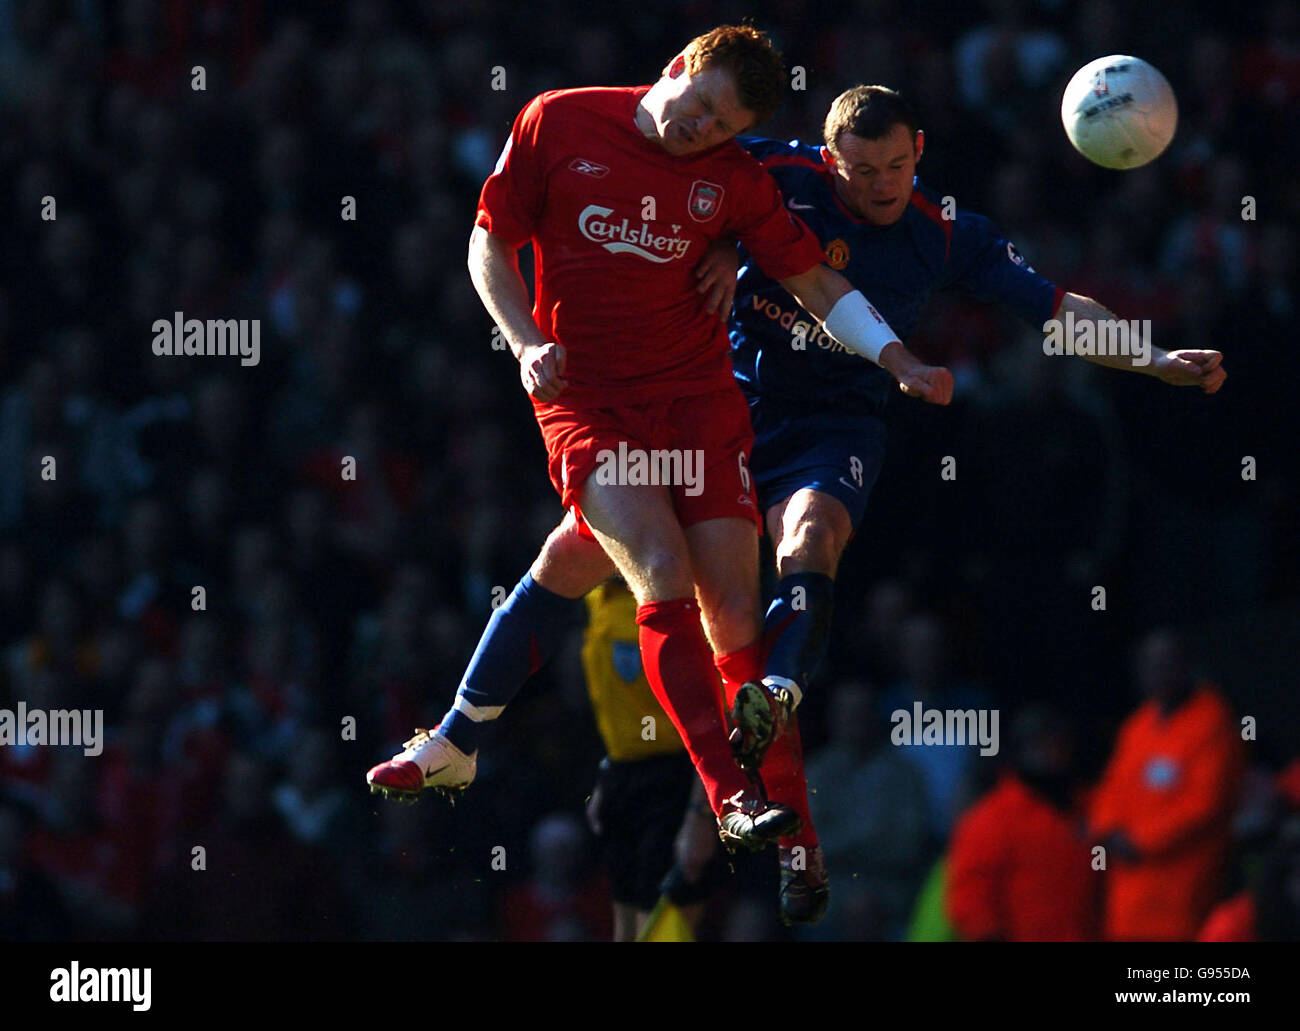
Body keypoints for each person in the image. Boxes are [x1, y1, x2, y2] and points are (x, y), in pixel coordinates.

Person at [366, 28, 952, 867]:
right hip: (592, 407)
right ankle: (732, 799)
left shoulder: (733, 181)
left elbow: (815, 282)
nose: (700, 129)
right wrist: (526, 340)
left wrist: (896, 357)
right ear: (676, 66)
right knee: (655, 560)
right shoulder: (559, 122)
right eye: (699, 105)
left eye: (721, 126)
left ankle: (462, 736)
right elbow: (486, 241)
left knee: (721, 609)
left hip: (700, 409)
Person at [1088, 629, 1244, 941]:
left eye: (1167, 663)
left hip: (1180, 891)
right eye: (1150, 664)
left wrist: (1140, 841)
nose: (1157, 673)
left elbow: (1205, 802)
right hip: (1127, 896)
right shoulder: (1137, 725)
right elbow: (1111, 787)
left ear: (1187, 666)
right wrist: (1106, 830)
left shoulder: (1212, 721)